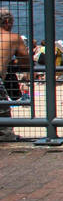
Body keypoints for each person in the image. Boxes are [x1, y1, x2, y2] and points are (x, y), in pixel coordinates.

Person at [0, 9, 31, 142]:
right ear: (7, 22)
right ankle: (7, 140)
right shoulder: (12, 37)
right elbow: (26, 62)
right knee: (3, 113)